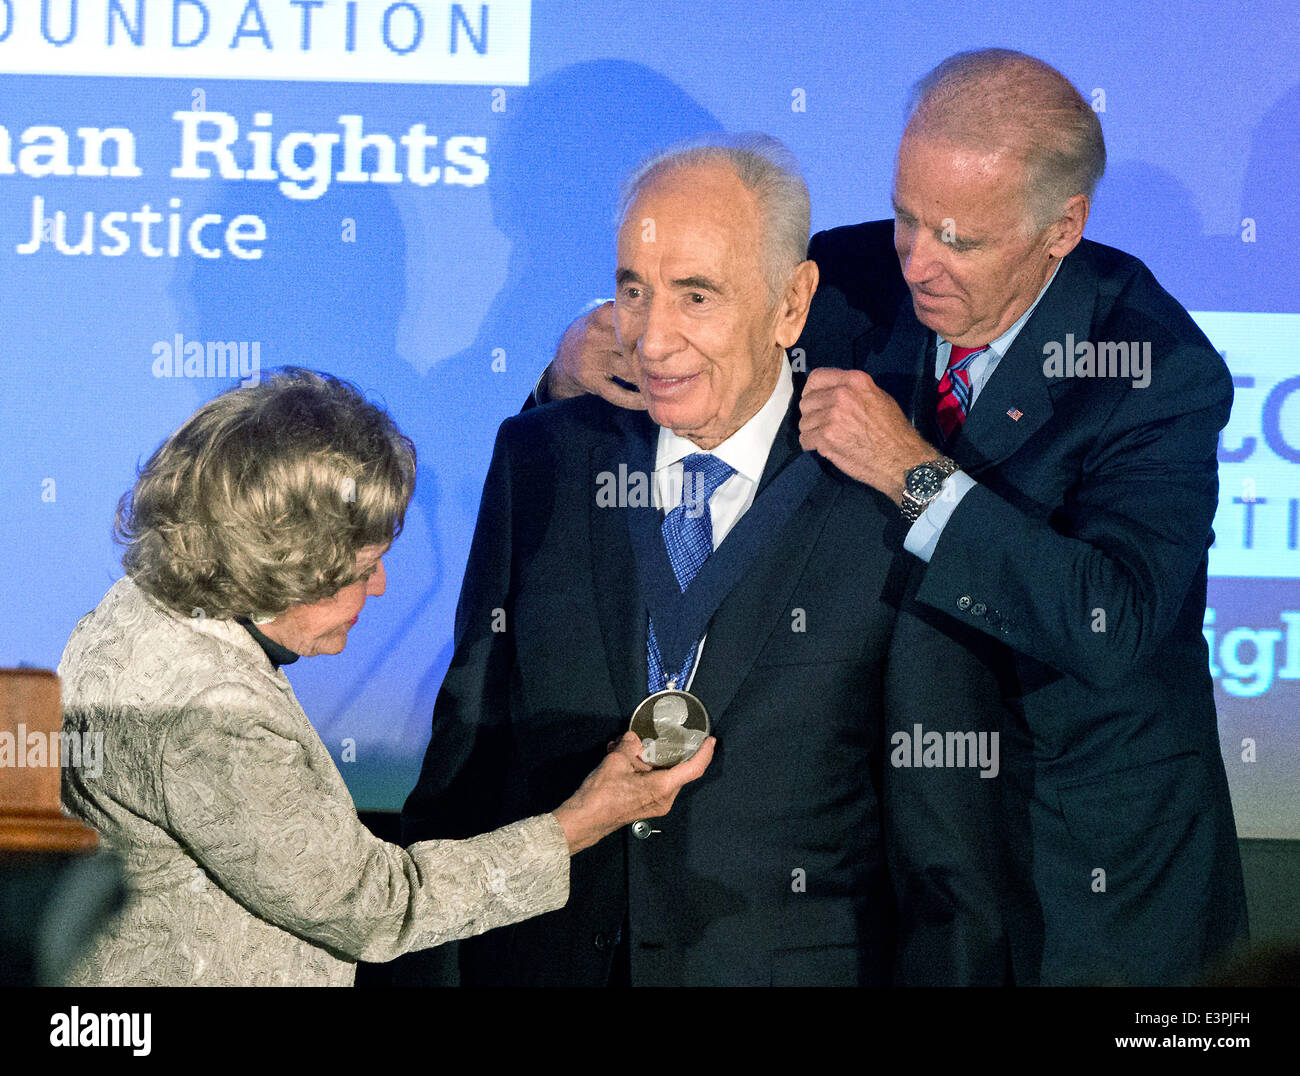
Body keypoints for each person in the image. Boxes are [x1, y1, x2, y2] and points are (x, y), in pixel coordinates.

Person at [539, 50, 1249, 986]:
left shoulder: (1153, 368)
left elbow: (1107, 619)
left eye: (960, 241)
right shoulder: (853, 276)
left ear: (1061, 230)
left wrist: (917, 476)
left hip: (1080, 867)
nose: (916, 262)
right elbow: (689, 355)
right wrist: (574, 371)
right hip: (880, 862)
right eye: (908, 217)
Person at [400, 135, 900, 986]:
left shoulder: (877, 495)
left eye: (695, 297)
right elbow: (466, 761)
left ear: (791, 304)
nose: (653, 340)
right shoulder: (543, 458)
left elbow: (933, 833)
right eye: (634, 290)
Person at [57, 368, 710, 987]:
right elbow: (378, 907)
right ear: (284, 561)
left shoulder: (138, 606)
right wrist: (581, 822)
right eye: (365, 564)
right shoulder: (214, 718)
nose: (381, 584)